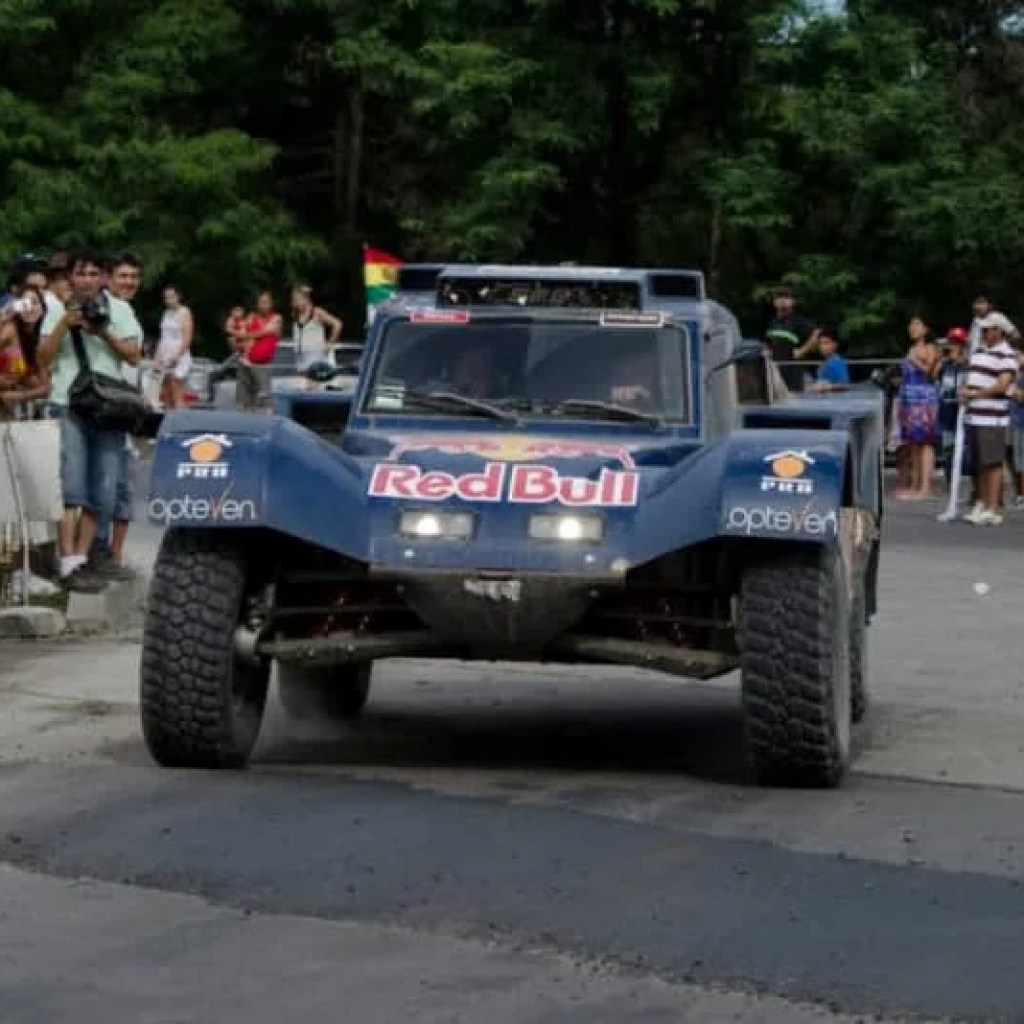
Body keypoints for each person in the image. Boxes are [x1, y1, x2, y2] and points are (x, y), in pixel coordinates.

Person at [37, 248, 142, 591]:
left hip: (107, 405)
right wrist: (64, 327)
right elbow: (43, 358)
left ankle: (83, 557)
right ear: (70, 278)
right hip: (67, 401)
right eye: (80, 274)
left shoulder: (119, 309)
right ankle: (68, 560)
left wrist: (104, 332)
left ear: (103, 278)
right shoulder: (55, 309)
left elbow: (133, 356)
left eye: (94, 274)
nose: (87, 280)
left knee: (104, 486)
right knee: (71, 484)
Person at [89, 253, 145, 581]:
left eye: (134, 276)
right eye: (123, 275)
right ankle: (98, 551)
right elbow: (131, 356)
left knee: (123, 486)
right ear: (109, 278)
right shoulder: (104, 308)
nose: (129, 282)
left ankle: (115, 555)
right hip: (107, 404)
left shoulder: (127, 312)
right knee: (106, 484)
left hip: (125, 409)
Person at [959, 313, 1018, 526]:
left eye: (989, 329)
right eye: (983, 330)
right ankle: (983, 502)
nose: (985, 333)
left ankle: (993, 507)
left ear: (1000, 331)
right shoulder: (979, 351)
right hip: (976, 414)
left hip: (993, 417)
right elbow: (971, 377)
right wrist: (964, 391)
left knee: (992, 463)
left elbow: (1003, 384)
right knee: (979, 463)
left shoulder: (1006, 354)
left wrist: (977, 394)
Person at [895, 317, 940, 500]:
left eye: (917, 325)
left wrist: (914, 360)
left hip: (924, 399)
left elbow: (930, 372)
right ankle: (915, 485)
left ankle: (926, 487)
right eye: (911, 325)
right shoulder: (911, 349)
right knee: (913, 443)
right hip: (909, 399)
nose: (912, 328)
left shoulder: (930, 348)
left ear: (926, 329)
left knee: (925, 442)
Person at [764, 285, 820, 392]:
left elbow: (816, 333)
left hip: (793, 371)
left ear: (793, 302)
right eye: (779, 297)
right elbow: (768, 343)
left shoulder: (798, 321)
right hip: (775, 370)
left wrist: (802, 351)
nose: (782, 300)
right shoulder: (772, 323)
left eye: (786, 297)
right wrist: (767, 351)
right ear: (774, 302)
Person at [238, 291, 282, 410]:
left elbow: (267, 331)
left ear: (271, 304)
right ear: (257, 304)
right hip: (246, 364)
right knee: (246, 400)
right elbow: (241, 334)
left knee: (265, 401)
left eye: (266, 302)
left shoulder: (276, 318)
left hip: (263, 366)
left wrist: (250, 335)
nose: (263, 305)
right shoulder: (252, 317)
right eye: (261, 302)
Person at [154, 285, 194, 410]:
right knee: (166, 392)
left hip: (178, 354)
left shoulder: (184, 312)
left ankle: (180, 419)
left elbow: (187, 337)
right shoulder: (166, 313)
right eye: (166, 297)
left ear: (178, 297)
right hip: (165, 353)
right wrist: (157, 357)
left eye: (171, 296)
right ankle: (167, 417)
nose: (169, 299)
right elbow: (163, 337)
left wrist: (177, 355)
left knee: (176, 389)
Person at [291, 285, 342, 376]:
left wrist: (329, 344)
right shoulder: (296, 315)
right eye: (294, 300)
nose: (294, 303)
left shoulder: (317, 312)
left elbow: (337, 324)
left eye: (297, 300)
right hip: (301, 359)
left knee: (315, 383)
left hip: (316, 357)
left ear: (306, 299)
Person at [807, 326, 849, 393]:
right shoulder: (826, 361)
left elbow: (844, 385)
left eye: (826, 343)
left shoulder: (837, 362)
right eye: (821, 343)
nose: (823, 347)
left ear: (834, 345)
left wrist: (827, 387)